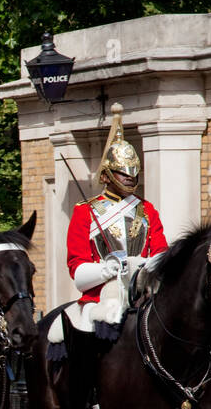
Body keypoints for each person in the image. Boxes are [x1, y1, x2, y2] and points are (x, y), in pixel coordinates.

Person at [63, 102, 168, 341]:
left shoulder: (147, 209)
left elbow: (161, 250)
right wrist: (105, 269)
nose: (130, 179)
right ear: (106, 175)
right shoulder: (85, 211)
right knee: (90, 329)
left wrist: (148, 264)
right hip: (100, 293)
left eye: (134, 173)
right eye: (123, 173)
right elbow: (76, 267)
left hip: (143, 288)